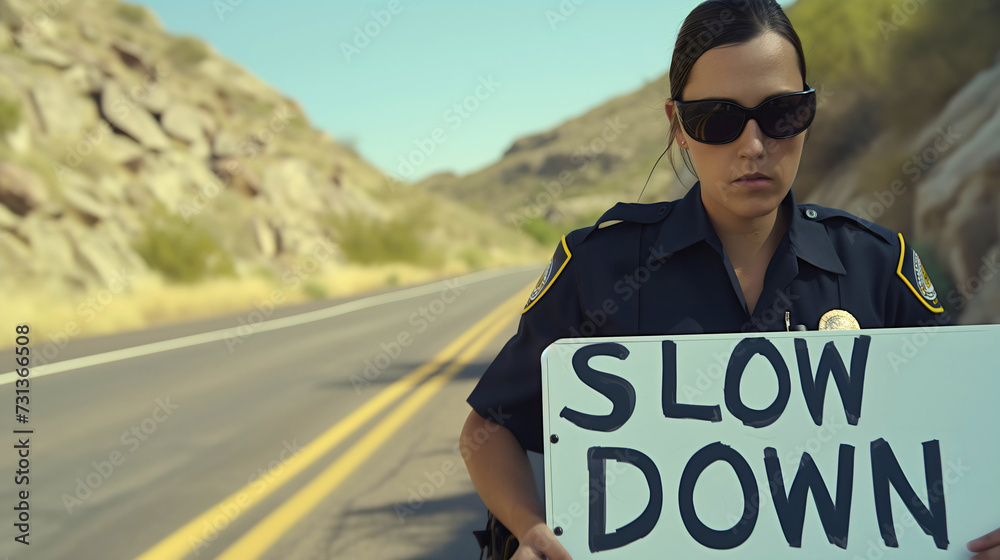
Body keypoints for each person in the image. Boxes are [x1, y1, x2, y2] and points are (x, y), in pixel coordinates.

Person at [459, 1, 999, 558]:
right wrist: (529, 530)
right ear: (679, 127)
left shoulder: (879, 264)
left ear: (809, 113)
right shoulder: (598, 267)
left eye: (783, 112)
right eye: (717, 119)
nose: (754, 145)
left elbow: (963, 417)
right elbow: (487, 428)